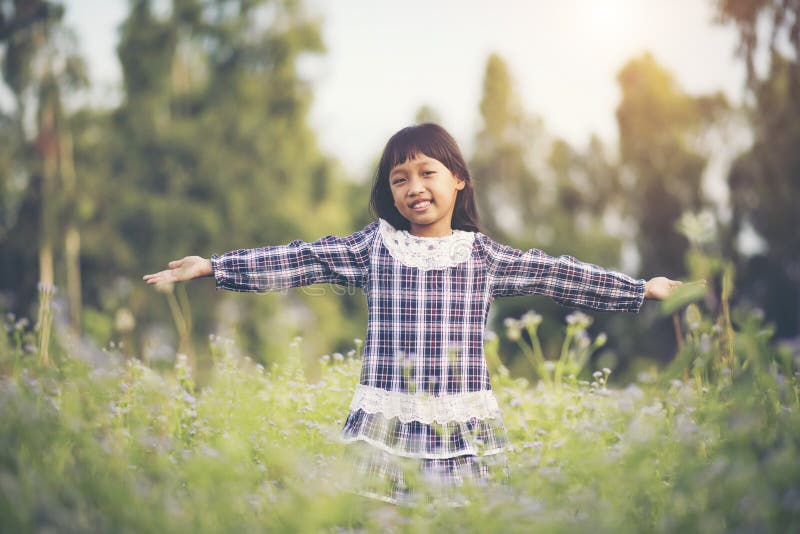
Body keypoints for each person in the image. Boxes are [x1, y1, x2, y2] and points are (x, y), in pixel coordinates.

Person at [143, 123, 681, 505]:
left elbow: (561, 275)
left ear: (458, 180)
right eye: (400, 179)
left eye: (427, 172)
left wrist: (639, 289)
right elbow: (300, 258)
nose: (414, 187)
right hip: (385, 425)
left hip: (460, 430)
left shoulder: (484, 257)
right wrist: (215, 266)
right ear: (390, 192)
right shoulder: (373, 249)